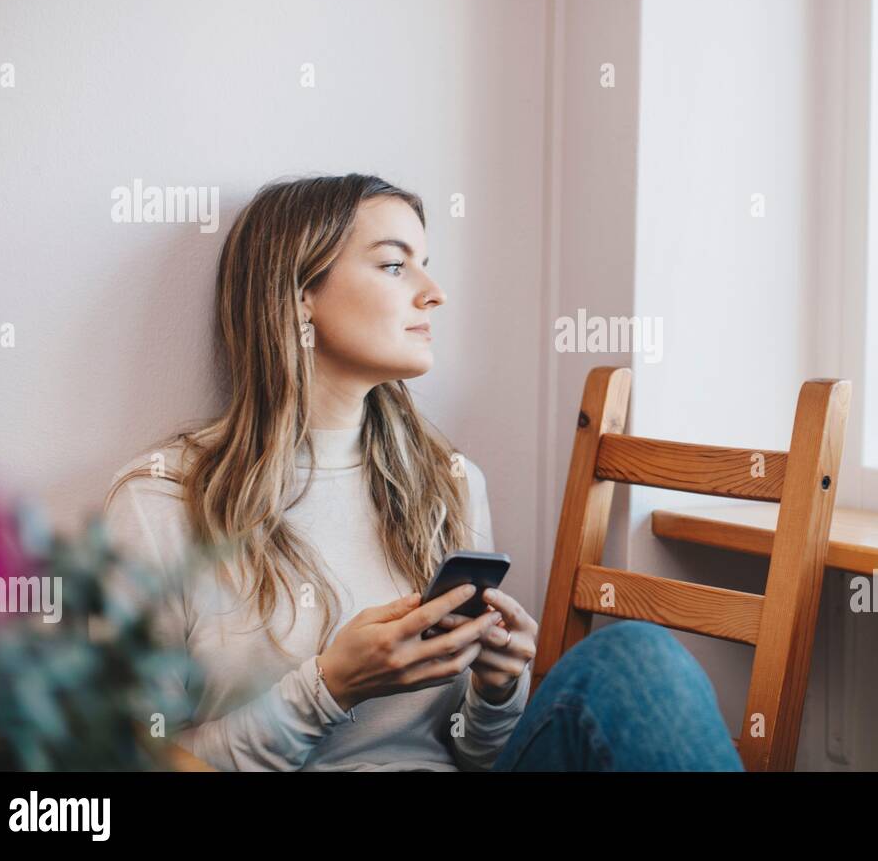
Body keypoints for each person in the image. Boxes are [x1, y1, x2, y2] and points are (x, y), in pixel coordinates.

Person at [100, 173, 742, 772]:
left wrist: (497, 692)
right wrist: (329, 688)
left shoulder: (449, 482)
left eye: (425, 265)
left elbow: (473, 754)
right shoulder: (162, 501)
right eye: (392, 264)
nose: (433, 292)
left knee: (635, 658)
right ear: (299, 297)